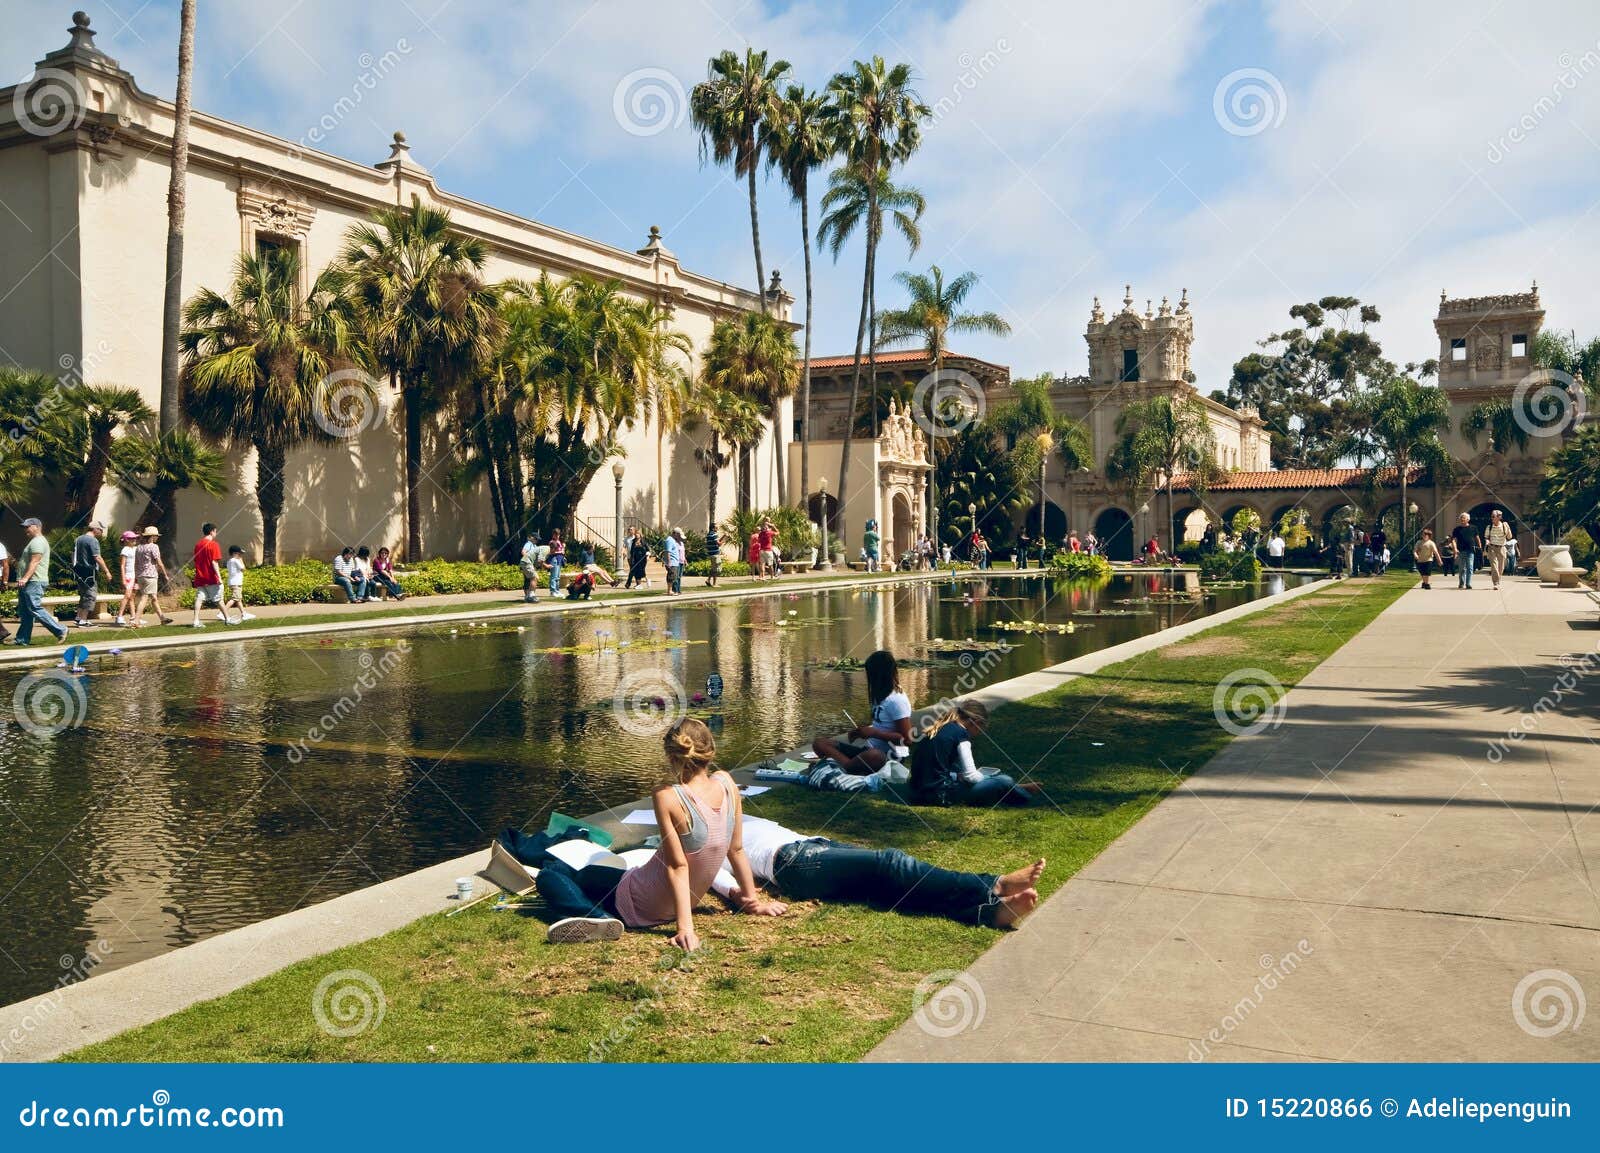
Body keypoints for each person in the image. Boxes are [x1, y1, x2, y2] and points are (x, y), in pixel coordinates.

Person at [537, 718, 784, 946]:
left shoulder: (667, 795)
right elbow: (736, 849)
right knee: (586, 874)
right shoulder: (727, 783)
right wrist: (752, 902)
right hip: (670, 901)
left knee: (550, 875)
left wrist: (685, 929)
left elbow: (678, 866)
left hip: (638, 900)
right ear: (711, 750)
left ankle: (597, 916)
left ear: (671, 756)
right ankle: (591, 908)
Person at [711, 815, 1044, 929]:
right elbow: (715, 875)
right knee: (890, 863)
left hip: (813, 845)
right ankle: (993, 885)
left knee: (890, 886)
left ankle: (988, 913)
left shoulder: (725, 805)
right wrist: (747, 899)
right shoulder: (704, 839)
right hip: (794, 864)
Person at [911, 699, 1041, 807]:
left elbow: (934, 769)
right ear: (977, 723)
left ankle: (1014, 787)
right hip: (940, 795)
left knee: (959, 769)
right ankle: (1019, 792)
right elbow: (971, 776)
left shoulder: (942, 727)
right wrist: (988, 778)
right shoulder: (961, 734)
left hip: (918, 791)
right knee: (1004, 780)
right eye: (981, 729)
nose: (978, 734)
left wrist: (957, 776)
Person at [811, 649, 912, 776]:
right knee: (820, 743)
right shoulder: (880, 695)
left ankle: (844, 767)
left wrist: (874, 733)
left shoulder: (896, 701)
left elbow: (907, 740)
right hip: (867, 750)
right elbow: (881, 725)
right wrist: (860, 732)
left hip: (889, 756)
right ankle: (851, 766)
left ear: (879, 675)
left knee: (874, 756)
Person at [9, 517, 67, 645]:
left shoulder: (38, 542)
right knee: (25, 612)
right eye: (24, 527)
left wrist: (25, 578)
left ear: (37, 526)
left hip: (34, 581)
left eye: (28, 527)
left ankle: (60, 630)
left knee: (34, 608)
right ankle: (22, 639)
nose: (25, 529)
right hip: (29, 581)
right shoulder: (34, 541)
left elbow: (35, 561)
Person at [71, 520, 113, 627]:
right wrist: (107, 571)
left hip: (78, 571)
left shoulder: (78, 539)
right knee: (90, 595)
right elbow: (97, 557)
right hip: (89, 572)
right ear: (95, 529)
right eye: (100, 530)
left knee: (83, 595)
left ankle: (78, 617)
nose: (101, 532)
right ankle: (83, 620)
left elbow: (73, 555)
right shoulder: (93, 541)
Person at [133, 526, 174, 626]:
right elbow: (159, 562)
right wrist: (165, 574)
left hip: (141, 576)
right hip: (150, 576)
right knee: (144, 598)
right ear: (152, 536)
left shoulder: (139, 547)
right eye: (156, 536)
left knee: (154, 598)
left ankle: (162, 618)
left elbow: (136, 563)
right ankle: (136, 621)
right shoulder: (154, 547)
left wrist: (136, 576)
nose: (157, 537)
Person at [190, 522, 228, 627]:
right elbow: (214, 562)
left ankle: (196, 621)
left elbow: (196, 561)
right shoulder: (213, 544)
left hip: (200, 577)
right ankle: (227, 618)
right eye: (215, 531)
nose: (216, 533)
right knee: (219, 599)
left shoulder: (198, 545)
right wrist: (219, 577)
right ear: (212, 532)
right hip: (211, 577)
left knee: (199, 598)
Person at [223, 545, 255, 621]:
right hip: (236, 583)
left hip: (233, 582)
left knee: (238, 599)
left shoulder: (230, 561)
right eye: (239, 553)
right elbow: (243, 569)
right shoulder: (236, 561)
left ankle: (244, 614)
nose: (240, 555)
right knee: (235, 598)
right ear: (234, 553)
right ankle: (222, 612)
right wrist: (241, 560)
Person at [114, 530, 139, 626]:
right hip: (128, 576)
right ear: (126, 540)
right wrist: (123, 578)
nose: (134, 540)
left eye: (135, 538)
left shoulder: (136, 549)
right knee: (127, 596)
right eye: (132, 538)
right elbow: (122, 565)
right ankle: (119, 616)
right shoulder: (125, 550)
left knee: (132, 597)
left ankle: (133, 617)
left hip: (135, 575)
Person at [1483, 509, 1513, 590]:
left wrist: (1508, 528)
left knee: (1501, 567)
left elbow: (1509, 537)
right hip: (1492, 547)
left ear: (1499, 517)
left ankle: (1498, 580)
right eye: (1491, 516)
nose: (1492, 518)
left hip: (1502, 547)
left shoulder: (1504, 526)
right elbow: (1486, 537)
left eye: (1493, 516)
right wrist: (1487, 541)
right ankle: (1496, 583)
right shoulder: (1489, 527)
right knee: (1494, 566)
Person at [1450, 513, 1481, 590]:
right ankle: (1461, 583)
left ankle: (1468, 584)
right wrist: (1455, 549)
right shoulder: (1457, 529)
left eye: (1464, 518)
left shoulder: (1473, 528)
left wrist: (1480, 547)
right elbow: (1453, 540)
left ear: (1468, 519)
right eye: (1461, 518)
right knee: (1462, 568)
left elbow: (1477, 538)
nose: (1462, 519)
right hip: (1461, 551)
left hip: (1471, 550)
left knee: (1470, 567)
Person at [519, 529, 541, 602]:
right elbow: (523, 552)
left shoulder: (534, 545)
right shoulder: (528, 544)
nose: (536, 540)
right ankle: (527, 596)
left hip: (531, 565)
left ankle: (530, 595)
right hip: (527, 564)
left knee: (531, 579)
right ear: (532, 538)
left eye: (537, 539)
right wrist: (528, 560)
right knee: (528, 579)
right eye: (535, 539)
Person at [662, 527, 685, 595]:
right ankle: (669, 591)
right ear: (675, 533)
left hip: (675, 562)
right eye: (678, 535)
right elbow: (667, 552)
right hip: (672, 562)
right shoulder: (669, 540)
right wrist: (669, 562)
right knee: (671, 576)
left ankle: (670, 590)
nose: (679, 536)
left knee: (673, 576)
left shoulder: (672, 540)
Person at [545, 530, 566, 595]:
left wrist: (563, 548)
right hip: (554, 559)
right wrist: (560, 552)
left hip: (559, 559)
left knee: (557, 577)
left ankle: (557, 590)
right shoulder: (552, 542)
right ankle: (553, 591)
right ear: (553, 535)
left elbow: (563, 551)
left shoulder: (560, 542)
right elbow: (551, 552)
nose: (557, 536)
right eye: (556, 534)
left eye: (558, 534)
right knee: (554, 576)